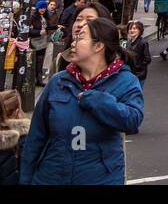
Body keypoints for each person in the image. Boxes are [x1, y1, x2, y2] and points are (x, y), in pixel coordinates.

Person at [20, 17, 144, 185]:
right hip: (50, 177)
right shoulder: (58, 81)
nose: (73, 42)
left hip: (100, 178)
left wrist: (97, 100)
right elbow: (36, 136)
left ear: (98, 46)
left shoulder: (125, 81)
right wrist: (25, 179)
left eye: (80, 37)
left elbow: (132, 120)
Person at [124, 20, 151, 84]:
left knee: (136, 93)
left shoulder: (143, 43)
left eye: (134, 28)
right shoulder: (129, 42)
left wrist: (137, 66)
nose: (132, 30)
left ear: (139, 30)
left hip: (139, 75)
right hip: (130, 73)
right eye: (130, 28)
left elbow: (147, 59)